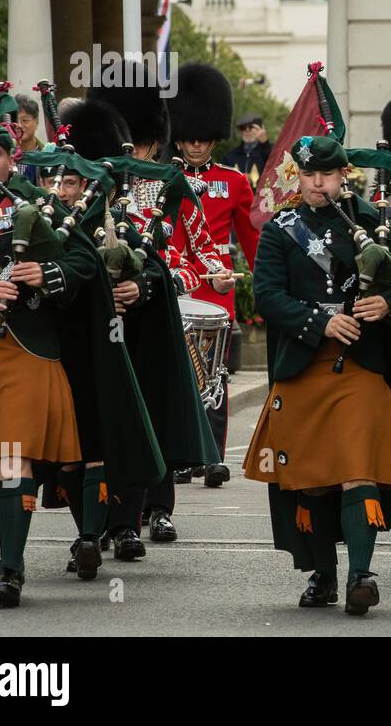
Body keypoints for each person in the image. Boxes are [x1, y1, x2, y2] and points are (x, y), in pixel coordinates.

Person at [0, 113, 163, 606]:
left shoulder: (40, 206)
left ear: (12, 161)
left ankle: (11, 567)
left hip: (31, 349)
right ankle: (8, 550)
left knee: (15, 457)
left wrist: (45, 273)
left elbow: (82, 262)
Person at [242, 135, 391, 615]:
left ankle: (360, 574)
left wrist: (388, 302)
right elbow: (268, 296)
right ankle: (323, 574)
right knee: (311, 478)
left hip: (360, 366)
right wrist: (320, 321)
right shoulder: (279, 229)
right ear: (298, 176)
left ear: (342, 176)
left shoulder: (370, 222)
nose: (317, 183)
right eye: (309, 175)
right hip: (303, 366)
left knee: (357, 468)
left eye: (327, 175)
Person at [89, 66, 233, 543]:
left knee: (157, 406)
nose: (134, 152)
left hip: (156, 310)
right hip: (104, 313)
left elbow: (205, 251)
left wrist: (177, 277)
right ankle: (105, 516)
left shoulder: (170, 187)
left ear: (153, 142)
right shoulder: (96, 187)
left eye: (141, 143)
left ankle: (160, 506)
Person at [168, 63, 260, 487]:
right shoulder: (164, 181)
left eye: (203, 139)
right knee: (179, 375)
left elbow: (252, 237)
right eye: (189, 138)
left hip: (217, 289)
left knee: (214, 376)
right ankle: (181, 455)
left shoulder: (233, 181)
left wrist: (268, 283)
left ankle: (212, 457)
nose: (196, 146)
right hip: (174, 283)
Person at [221, 114, 273, 190]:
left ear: (261, 129)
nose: (247, 130)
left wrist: (264, 143)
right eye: (243, 128)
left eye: (251, 127)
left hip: (263, 199)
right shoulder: (230, 156)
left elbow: (275, 166)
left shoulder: (270, 150)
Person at [12, 93, 43, 184]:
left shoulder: (47, 154)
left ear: (36, 121)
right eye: (15, 121)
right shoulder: (5, 154)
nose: (19, 126)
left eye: (25, 120)